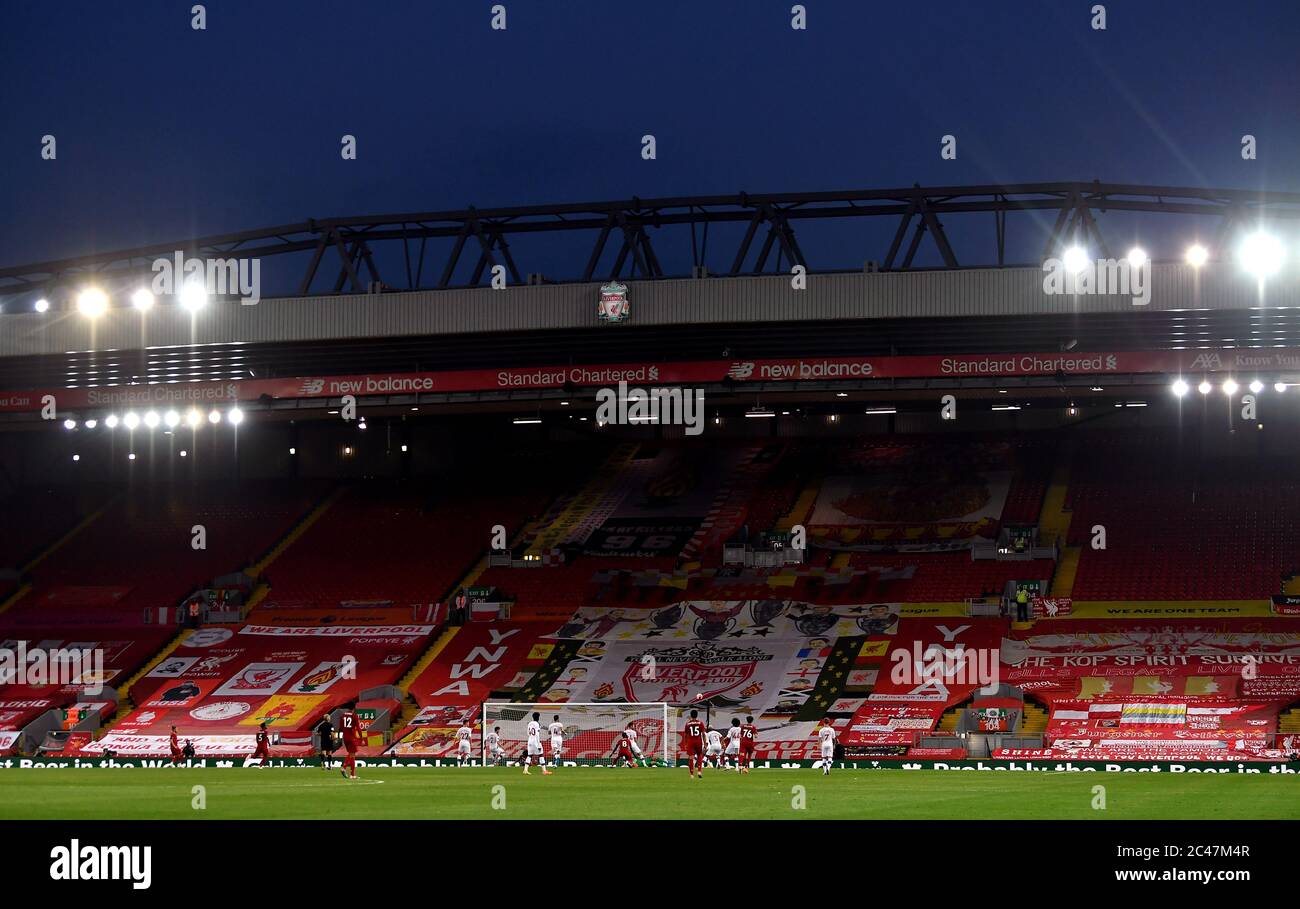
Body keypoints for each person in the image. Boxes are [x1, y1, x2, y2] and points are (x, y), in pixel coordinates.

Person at [682, 709, 706, 779]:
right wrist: (705, 743)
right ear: (697, 715)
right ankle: (699, 771)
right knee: (699, 756)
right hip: (698, 741)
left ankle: (692, 775)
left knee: (691, 757)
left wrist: (685, 744)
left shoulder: (687, 724)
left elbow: (685, 735)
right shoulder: (700, 723)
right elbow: (703, 734)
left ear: (691, 716)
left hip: (691, 742)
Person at [339, 708, 361, 779]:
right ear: (353, 708)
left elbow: (341, 727)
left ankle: (352, 774)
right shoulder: (354, 715)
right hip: (351, 737)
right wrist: (361, 737)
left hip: (345, 737)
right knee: (352, 754)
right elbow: (358, 727)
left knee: (351, 754)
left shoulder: (343, 715)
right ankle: (345, 769)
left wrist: (340, 736)